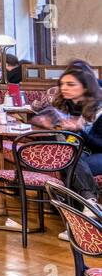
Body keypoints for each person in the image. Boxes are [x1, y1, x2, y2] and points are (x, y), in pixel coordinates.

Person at [28, 66, 102, 221]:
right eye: (62, 84)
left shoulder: (99, 108)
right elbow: (37, 124)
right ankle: (85, 209)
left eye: (71, 84)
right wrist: (43, 125)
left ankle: (79, 215)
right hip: (74, 151)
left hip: (96, 152)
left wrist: (80, 130)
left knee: (70, 159)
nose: (64, 88)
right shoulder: (60, 106)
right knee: (67, 156)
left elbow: (99, 144)